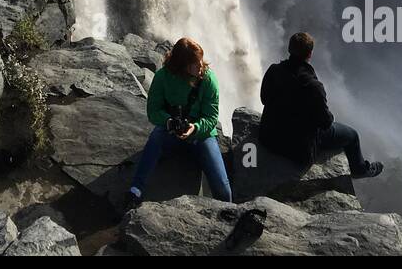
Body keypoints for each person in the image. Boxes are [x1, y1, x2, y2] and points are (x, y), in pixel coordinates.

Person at [126, 37, 231, 209]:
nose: (200, 66)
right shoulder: (162, 77)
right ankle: (135, 190)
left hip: (201, 137)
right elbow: (153, 111)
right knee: (156, 137)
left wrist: (195, 128)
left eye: (200, 61)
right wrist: (169, 122)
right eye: (195, 63)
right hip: (171, 132)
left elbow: (212, 117)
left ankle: (229, 211)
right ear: (182, 65)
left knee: (223, 187)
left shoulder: (208, 79)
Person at [260, 32, 383, 178]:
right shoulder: (313, 86)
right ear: (310, 54)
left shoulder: (274, 70)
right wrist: (330, 116)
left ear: (289, 49)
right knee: (352, 135)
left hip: (269, 138)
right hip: (297, 151)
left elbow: (264, 99)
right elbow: (325, 123)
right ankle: (360, 170)